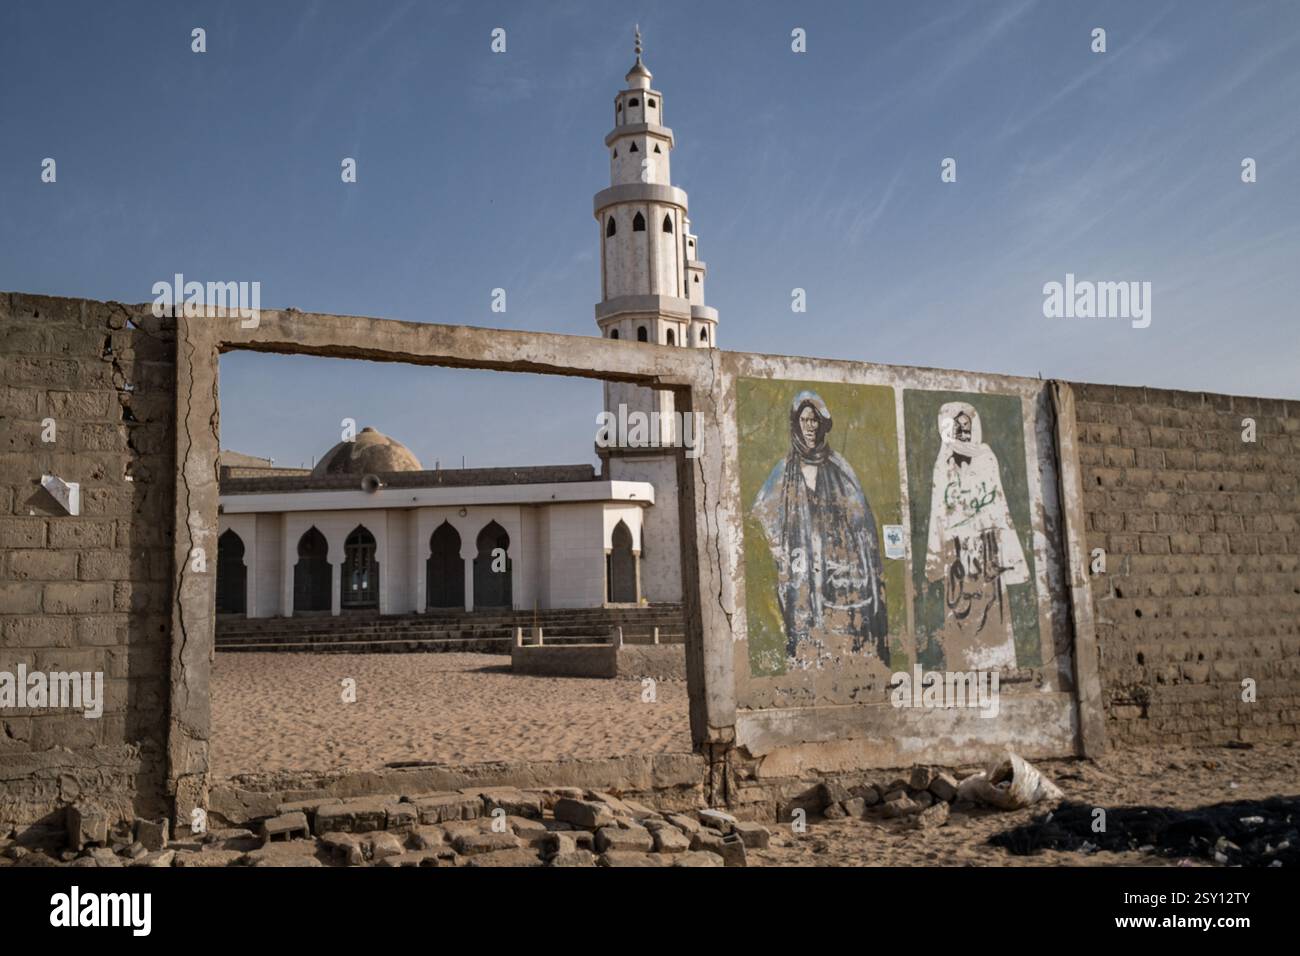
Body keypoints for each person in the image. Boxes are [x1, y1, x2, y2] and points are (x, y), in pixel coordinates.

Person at [753, 391, 888, 668]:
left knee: (843, 632)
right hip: (803, 569)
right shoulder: (784, 470)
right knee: (806, 628)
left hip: (839, 570)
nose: (810, 426)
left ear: (822, 423)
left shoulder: (840, 467)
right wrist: (784, 554)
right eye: (804, 420)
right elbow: (763, 515)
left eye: (814, 420)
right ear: (796, 424)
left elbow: (862, 523)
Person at [923, 401, 1028, 670]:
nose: (963, 432)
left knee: (992, 608)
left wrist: (1008, 556)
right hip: (957, 552)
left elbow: (999, 504)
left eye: (966, 426)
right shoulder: (942, 464)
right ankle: (963, 664)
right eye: (957, 427)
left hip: (987, 548)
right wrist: (936, 562)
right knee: (960, 608)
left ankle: (998, 663)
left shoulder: (987, 458)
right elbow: (938, 513)